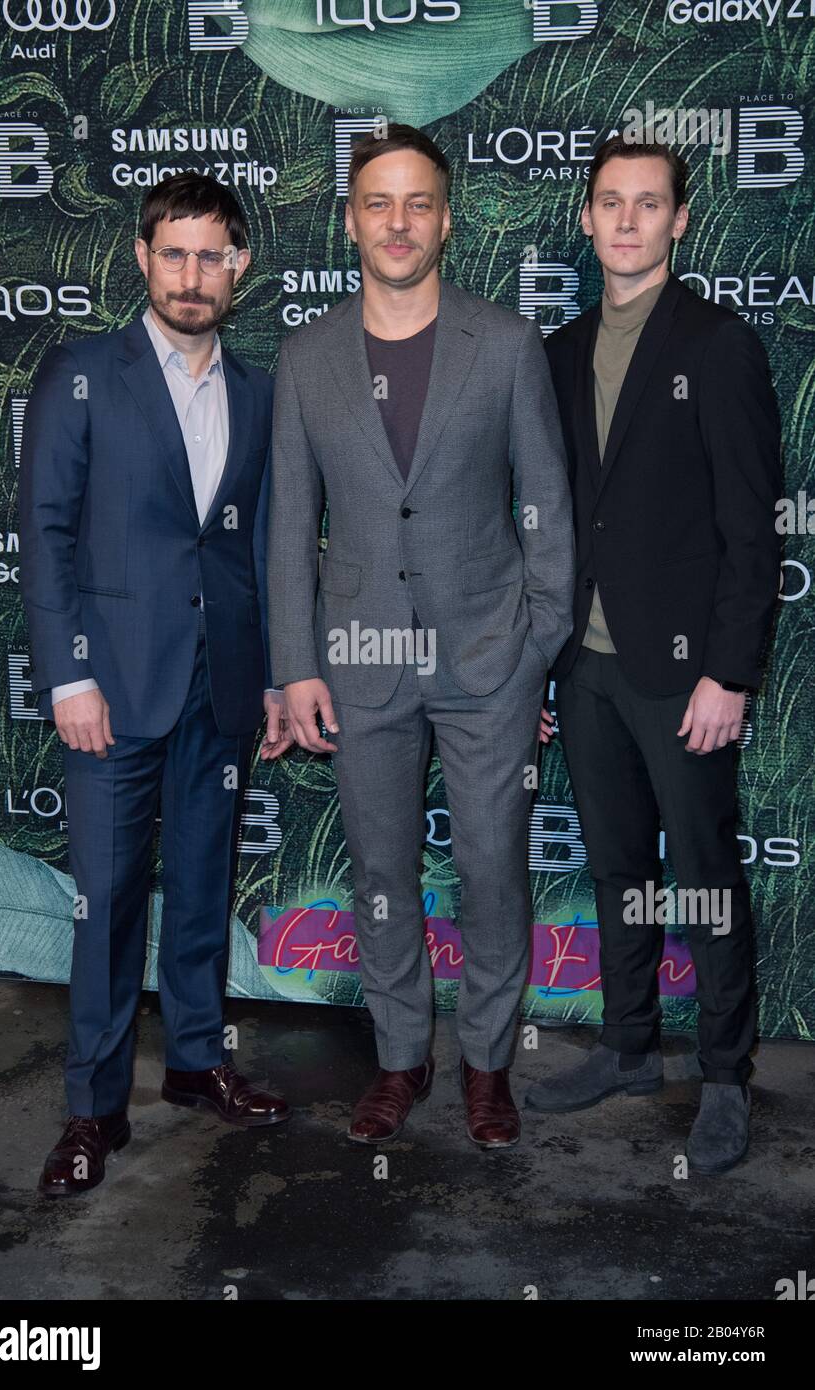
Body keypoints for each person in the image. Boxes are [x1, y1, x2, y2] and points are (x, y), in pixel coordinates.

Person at [267, 124, 574, 1148]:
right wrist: (296, 665)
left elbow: (546, 509)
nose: (397, 223)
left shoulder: (506, 344)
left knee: (492, 870)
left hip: (487, 660)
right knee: (382, 876)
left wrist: (533, 652)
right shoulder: (306, 356)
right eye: (376, 203)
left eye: (417, 203)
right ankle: (401, 1058)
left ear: (445, 218)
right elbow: (286, 528)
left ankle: (488, 1066)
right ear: (348, 217)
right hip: (358, 666)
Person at [19, 172, 293, 1198]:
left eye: (210, 255)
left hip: (217, 690)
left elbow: (258, 548)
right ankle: (91, 1109)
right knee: (107, 904)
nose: (190, 275)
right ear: (143, 259)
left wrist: (265, 680)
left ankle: (192, 1059)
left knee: (202, 891)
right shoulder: (83, 372)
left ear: (239, 267)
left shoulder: (258, 392)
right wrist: (68, 678)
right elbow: (43, 534)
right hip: (110, 695)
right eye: (172, 254)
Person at [530, 136, 782, 1175]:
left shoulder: (716, 345)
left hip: (683, 675)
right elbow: (548, 524)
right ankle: (630, 1047)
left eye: (646, 204)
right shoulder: (557, 348)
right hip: (586, 669)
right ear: (585, 219)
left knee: (705, 878)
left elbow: (751, 527)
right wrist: (543, 664)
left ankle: (722, 1075)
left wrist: (728, 673)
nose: (625, 220)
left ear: (679, 221)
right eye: (607, 202)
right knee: (617, 868)